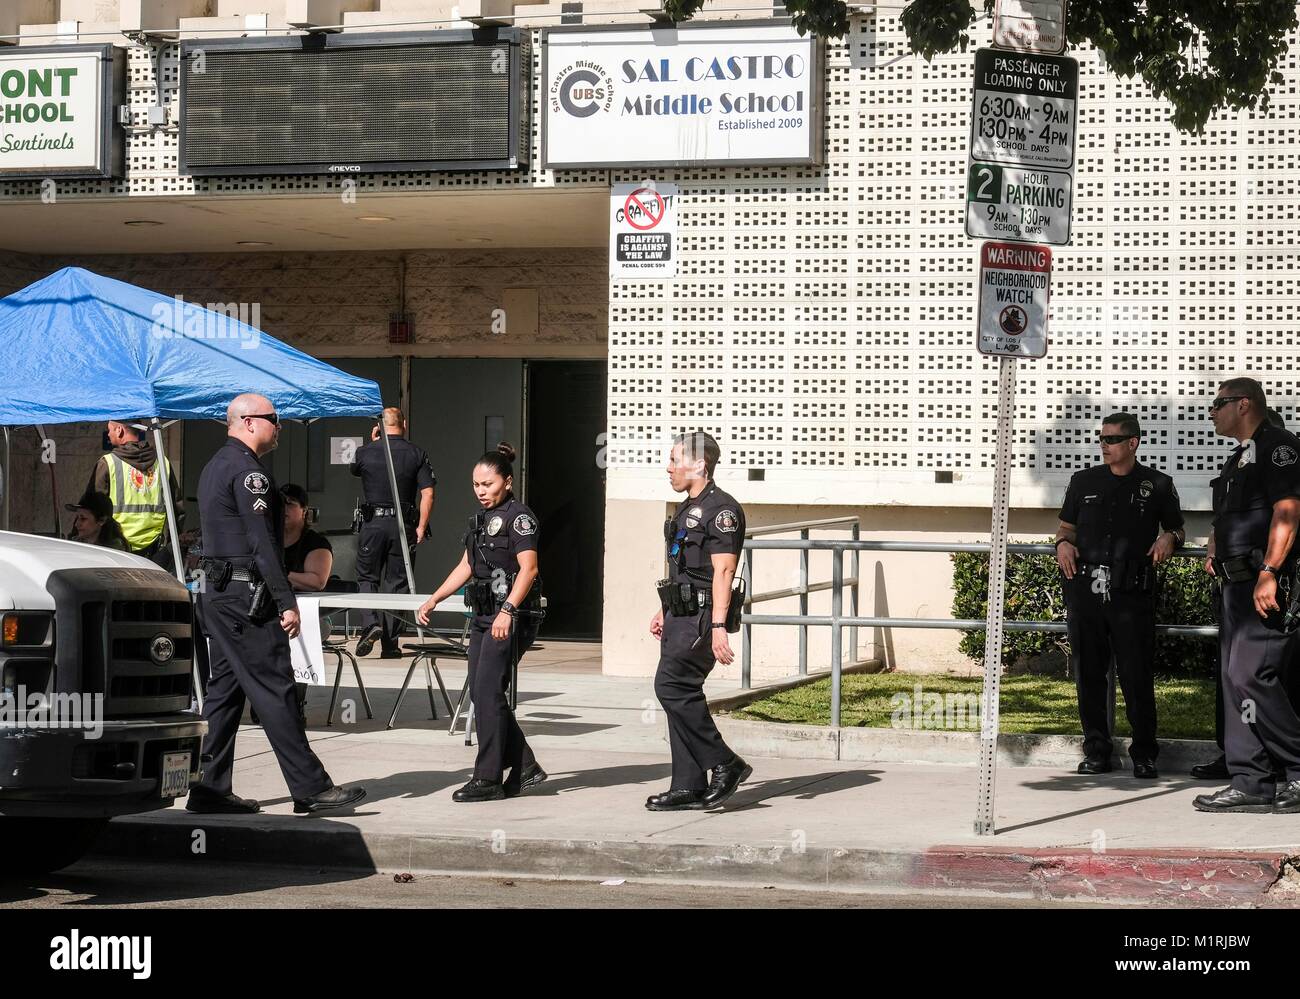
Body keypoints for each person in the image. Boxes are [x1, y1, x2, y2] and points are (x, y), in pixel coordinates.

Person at [187, 393, 364, 816]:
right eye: (273, 419)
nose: (279, 426)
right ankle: (311, 788)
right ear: (248, 422)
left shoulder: (215, 467)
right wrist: (286, 602)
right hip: (248, 598)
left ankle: (209, 787)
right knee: (276, 689)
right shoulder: (250, 474)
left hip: (220, 596)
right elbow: (262, 544)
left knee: (224, 693)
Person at [1055, 413, 1184, 779]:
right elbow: (1066, 528)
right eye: (1102, 438)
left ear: (1133, 443)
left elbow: (1177, 528)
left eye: (1112, 439)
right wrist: (1063, 544)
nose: (1105, 445)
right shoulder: (1083, 482)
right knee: (1089, 673)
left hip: (1132, 591)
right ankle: (1096, 750)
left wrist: (1168, 538)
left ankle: (1144, 753)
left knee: (1136, 674)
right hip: (1087, 588)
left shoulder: (1157, 484)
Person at [416, 443, 545, 802]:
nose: (481, 491)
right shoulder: (479, 520)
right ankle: (526, 766)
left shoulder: (520, 517)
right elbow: (467, 566)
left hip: (511, 615)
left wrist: (509, 611)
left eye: (488, 484)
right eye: (476, 485)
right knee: (481, 691)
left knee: (488, 690)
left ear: (506, 482)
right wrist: (435, 598)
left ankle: (487, 777)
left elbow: (529, 569)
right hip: (484, 615)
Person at [1194, 378, 1300, 813]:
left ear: (1243, 404)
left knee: (1253, 676)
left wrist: (1270, 571)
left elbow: (1288, 510)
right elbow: (1232, 514)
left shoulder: (1278, 447)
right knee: (1234, 680)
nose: (1212, 413)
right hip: (1235, 587)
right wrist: (1217, 541)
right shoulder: (1241, 457)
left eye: (1217, 404)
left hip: (1266, 584)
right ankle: (1251, 779)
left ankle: (1294, 766)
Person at [647, 431, 751, 811]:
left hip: (705, 617)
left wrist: (720, 628)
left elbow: (724, 572)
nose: (669, 467)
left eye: (675, 460)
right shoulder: (687, 508)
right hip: (681, 614)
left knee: (672, 686)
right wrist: (665, 609)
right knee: (679, 694)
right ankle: (687, 785)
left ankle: (725, 763)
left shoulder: (721, 511)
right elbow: (682, 570)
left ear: (699, 464)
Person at [351, 407, 435, 658]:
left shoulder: (365, 453)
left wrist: (373, 442)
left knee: (367, 577)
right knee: (398, 585)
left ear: (379, 427)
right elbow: (428, 493)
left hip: (373, 524)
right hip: (403, 526)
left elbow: (355, 469)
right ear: (404, 424)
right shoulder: (416, 453)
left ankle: (370, 623)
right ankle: (391, 644)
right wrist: (421, 525)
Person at [85, 419, 184, 566]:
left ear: (119, 430)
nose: (108, 434)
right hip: (154, 551)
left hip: (115, 550)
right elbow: (178, 510)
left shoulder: (108, 463)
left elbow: (91, 510)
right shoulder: (162, 462)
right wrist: (170, 548)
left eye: (110, 429)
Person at [65, 491, 129, 551]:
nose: (76, 524)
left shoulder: (114, 551)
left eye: (83, 518)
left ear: (102, 520)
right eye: (77, 518)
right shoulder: (75, 544)